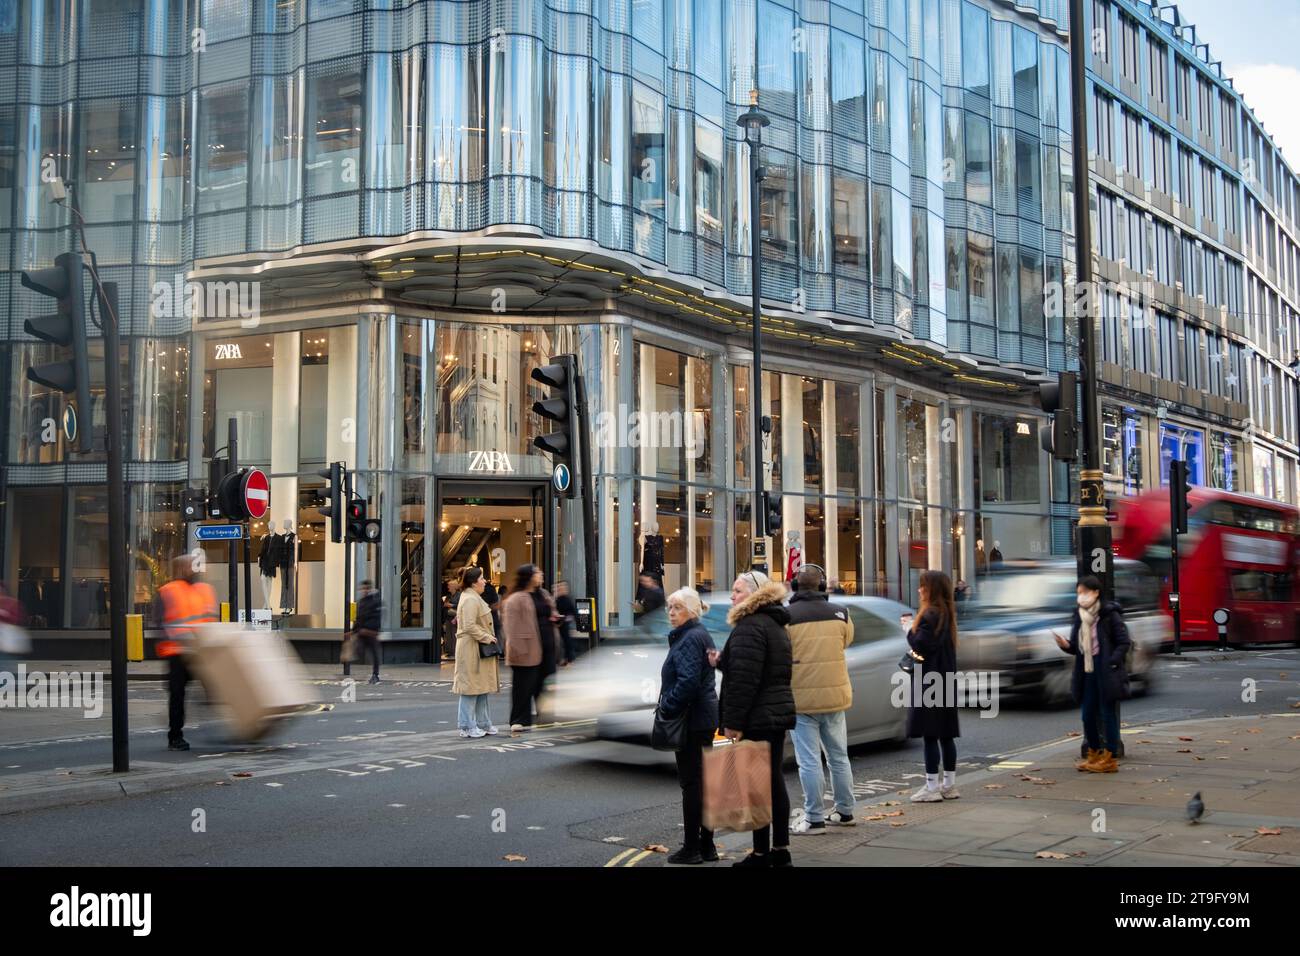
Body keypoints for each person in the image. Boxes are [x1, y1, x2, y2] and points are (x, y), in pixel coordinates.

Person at [716, 570, 796, 868]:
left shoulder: (750, 626)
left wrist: (733, 722)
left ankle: (762, 855)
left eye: (737, 591)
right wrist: (724, 660)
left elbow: (744, 681)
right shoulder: (775, 623)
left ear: (754, 593)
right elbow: (762, 667)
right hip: (774, 713)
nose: (732, 596)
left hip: (757, 717)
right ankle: (780, 850)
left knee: (758, 787)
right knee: (774, 783)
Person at [786, 565, 856, 834]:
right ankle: (845, 811)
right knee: (839, 757)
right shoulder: (841, 613)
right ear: (822, 586)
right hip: (835, 696)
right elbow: (847, 641)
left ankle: (814, 817)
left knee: (809, 760)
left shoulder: (787, 616)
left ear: (795, 586)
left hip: (802, 700)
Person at [659, 587, 719, 865]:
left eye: (678, 608)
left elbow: (688, 682)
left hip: (692, 720)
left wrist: (667, 706)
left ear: (692, 611)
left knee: (692, 784)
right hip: (701, 717)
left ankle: (692, 849)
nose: (671, 613)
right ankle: (707, 846)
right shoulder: (696, 634)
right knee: (702, 783)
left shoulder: (690, 638)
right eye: (670, 607)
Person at [1053, 576, 1131, 773]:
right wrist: (1065, 645)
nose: (1081, 597)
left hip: (1105, 668)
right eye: (1078, 593)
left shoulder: (1109, 614)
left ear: (1096, 593)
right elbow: (1075, 648)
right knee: (1087, 714)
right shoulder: (1079, 615)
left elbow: (1124, 642)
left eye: (1085, 592)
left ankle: (1110, 759)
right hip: (1086, 669)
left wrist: (1112, 661)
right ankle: (1094, 755)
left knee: (1107, 714)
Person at [906, 570, 961, 802]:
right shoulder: (947, 613)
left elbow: (921, 645)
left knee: (930, 735)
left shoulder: (929, 614)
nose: (919, 590)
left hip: (930, 680)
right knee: (946, 735)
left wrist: (909, 630)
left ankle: (931, 787)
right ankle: (949, 785)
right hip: (946, 678)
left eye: (922, 586)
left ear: (932, 590)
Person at [153, 556, 218, 752]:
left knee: (215, 690)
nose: (190, 568)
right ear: (177, 569)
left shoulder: (205, 590)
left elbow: (211, 619)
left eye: (191, 565)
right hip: (177, 653)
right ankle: (175, 736)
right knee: (178, 696)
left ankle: (231, 727)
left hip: (201, 652)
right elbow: (160, 623)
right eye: (186, 565)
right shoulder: (167, 591)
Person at [501, 564, 559, 732]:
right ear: (529, 576)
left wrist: (556, 619)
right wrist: (518, 649)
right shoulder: (516, 598)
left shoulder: (544, 594)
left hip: (547, 647)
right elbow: (510, 627)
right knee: (523, 687)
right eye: (537, 573)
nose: (541, 575)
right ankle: (519, 720)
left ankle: (546, 718)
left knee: (546, 686)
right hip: (526, 649)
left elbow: (551, 614)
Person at [453, 566, 500, 738]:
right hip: (471, 648)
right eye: (482, 578)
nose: (485, 581)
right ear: (474, 583)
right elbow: (469, 626)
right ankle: (467, 726)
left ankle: (483, 723)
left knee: (480, 687)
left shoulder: (473, 597)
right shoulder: (470, 600)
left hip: (476, 648)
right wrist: (487, 637)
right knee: (470, 688)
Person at [350, 580, 383, 684]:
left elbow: (376, 617)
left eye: (365, 588)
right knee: (359, 651)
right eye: (362, 589)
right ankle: (373, 674)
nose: (363, 591)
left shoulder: (375, 601)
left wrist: (371, 629)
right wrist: (354, 630)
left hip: (371, 632)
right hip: (361, 632)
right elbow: (359, 617)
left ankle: (375, 675)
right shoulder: (362, 601)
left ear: (369, 589)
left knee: (374, 654)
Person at [553, 580, 578, 666]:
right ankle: (562, 659)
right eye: (558, 587)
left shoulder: (567, 599)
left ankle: (569, 659)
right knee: (560, 642)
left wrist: (568, 618)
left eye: (562, 587)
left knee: (567, 642)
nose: (560, 589)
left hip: (564, 625)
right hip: (557, 625)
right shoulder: (556, 600)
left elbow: (573, 612)